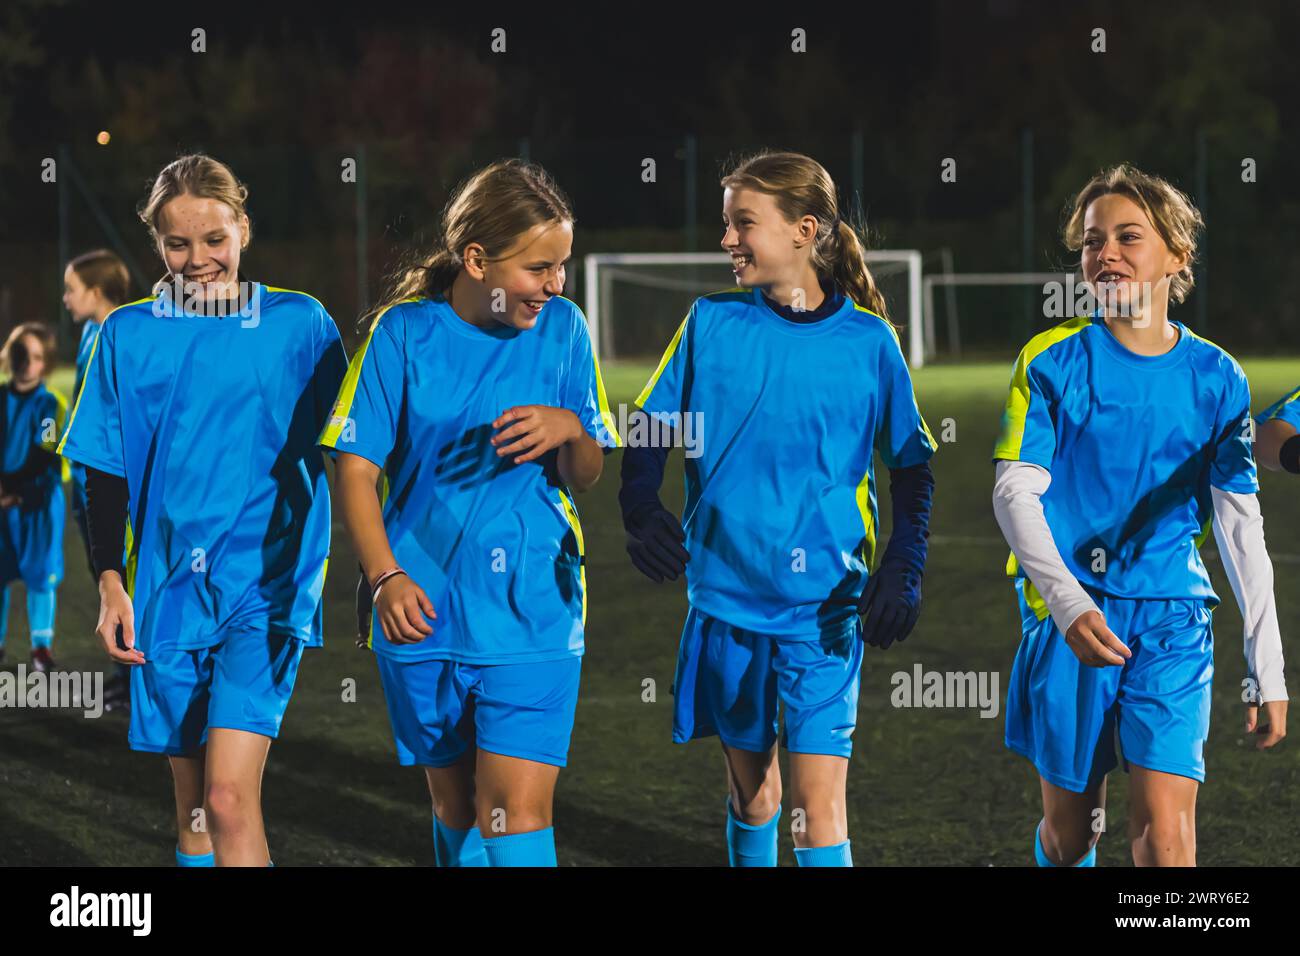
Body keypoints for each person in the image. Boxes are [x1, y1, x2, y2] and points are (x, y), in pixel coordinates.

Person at [622, 150, 936, 866]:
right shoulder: (709, 325)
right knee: (754, 799)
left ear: (805, 230)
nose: (726, 240)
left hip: (825, 612)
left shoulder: (869, 342)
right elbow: (648, 428)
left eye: (742, 223)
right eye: (726, 223)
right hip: (728, 604)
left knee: (817, 813)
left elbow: (912, 464)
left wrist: (905, 562)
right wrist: (639, 505)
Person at [323, 159, 619, 867]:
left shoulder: (565, 331)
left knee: (514, 815)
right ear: (477, 259)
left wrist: (570, 430)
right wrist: (385, 576)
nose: (556, 285)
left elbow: (588, 471)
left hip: (532, 608)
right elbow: (355, 468)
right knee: (458, 809)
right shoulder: (401, 335)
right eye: (539, 268)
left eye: (562, 266)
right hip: (420, 609)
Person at [992, 163, 1287, 867]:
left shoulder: (1218, 377)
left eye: (1129, 237)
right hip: (1071, 614)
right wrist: (1064, 603)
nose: (1107, 254)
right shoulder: (1052, 360)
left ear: (1176, 257)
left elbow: (1240, 524)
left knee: (1166, 833)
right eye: (1094, 241)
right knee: (1072, 836)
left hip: (1171, 615)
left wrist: (1266, 667)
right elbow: (1013, 493)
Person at [57, 153, 347, 866]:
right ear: (156, 243)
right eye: (177, 243)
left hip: (266, 588)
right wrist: (109, 581)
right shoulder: (127, 333)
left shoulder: (300, 324)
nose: (198, 260)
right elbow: (101, 471)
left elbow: (356, 454)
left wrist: (384, 566)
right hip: (164, 593)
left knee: (225, 799)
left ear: (242, 227)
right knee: (192, 816)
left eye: (214, 239)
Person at [0, 323, 68, 671]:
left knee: (40, 576)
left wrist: (11, 489)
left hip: (37, 505)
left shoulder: (50, 405)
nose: (27, 363)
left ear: (47, 363)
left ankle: (40, 647)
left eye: (37, 356)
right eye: (21, 354)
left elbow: (45, 453)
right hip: (3, 504)